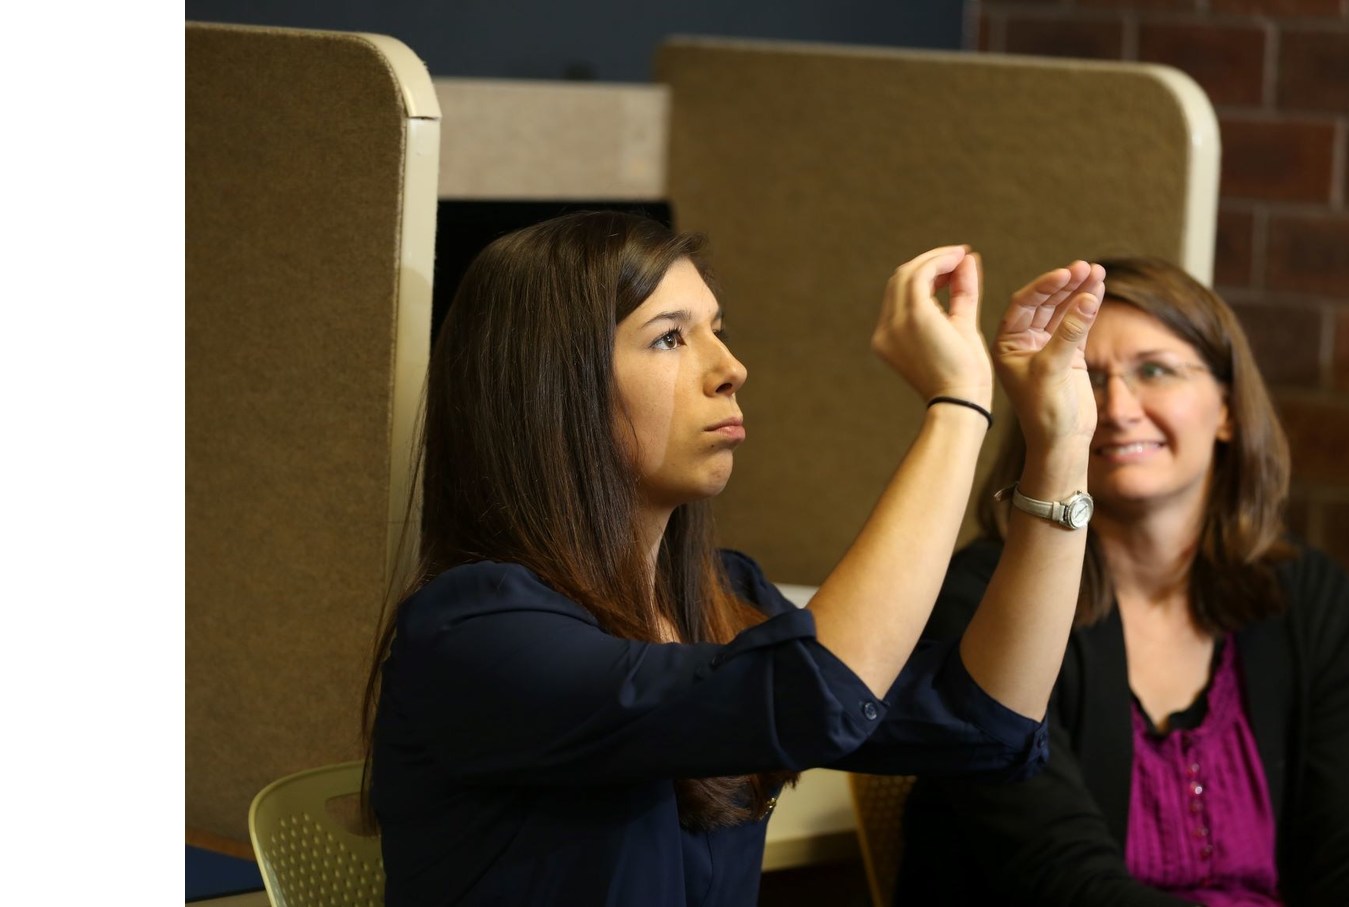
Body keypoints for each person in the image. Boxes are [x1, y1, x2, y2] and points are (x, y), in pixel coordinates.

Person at [361, 209, 1110, 906]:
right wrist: (956, 409)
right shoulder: (475, 631)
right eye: (669, 337)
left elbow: (984, 723)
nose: (730, 366)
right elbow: (820, 692)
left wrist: (1060, 441)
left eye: (717, 329)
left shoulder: (720, 593)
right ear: (554, 388)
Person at [896, 257, 1349, 907]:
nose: (1116, 407)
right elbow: (1060, 881)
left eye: (1153, 370)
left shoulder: (1306, 596)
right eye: (1085, 377)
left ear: (1227, 408)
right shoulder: (983, 599)